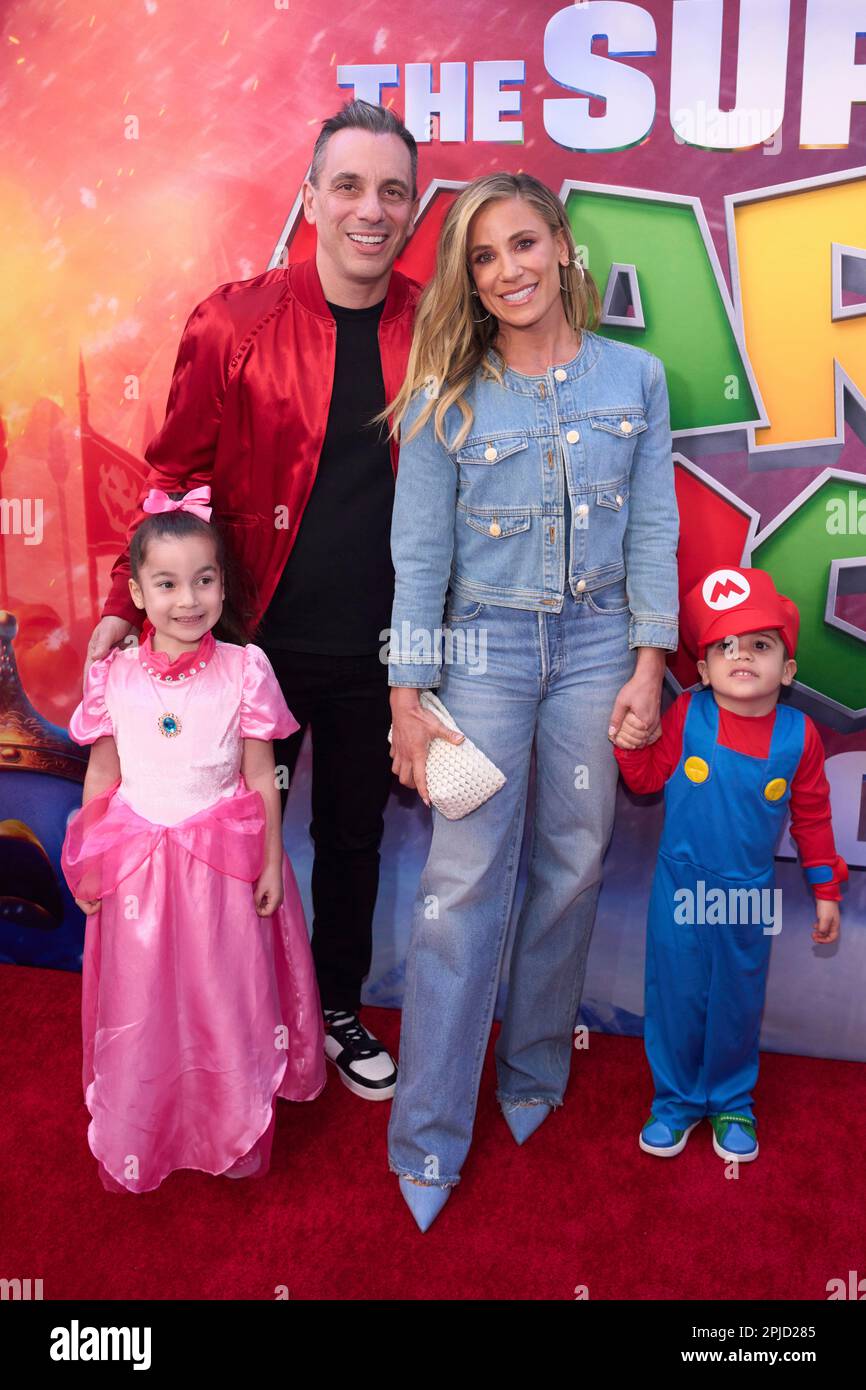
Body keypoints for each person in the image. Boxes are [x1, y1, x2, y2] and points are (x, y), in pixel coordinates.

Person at [84, 100, 425, 1100]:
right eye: (349, 185)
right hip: (249, 652)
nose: (370, 207)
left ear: (412, 208)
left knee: (355, 840)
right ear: (311, 196)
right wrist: (124, 593)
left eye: (391, 189)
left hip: (377, 658)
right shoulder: (233, 320)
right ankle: (238, 1024)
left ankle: (336, 1009)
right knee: (239, 835)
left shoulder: (436, 329)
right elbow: (171, 473)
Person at [385, 172, 680, 1230]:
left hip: (601, 650)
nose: (505, 270)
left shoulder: (636, 381)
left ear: (560, 245)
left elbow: (652, 529)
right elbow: (415, 560)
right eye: (481, 257)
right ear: (468, 279)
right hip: (483, 656)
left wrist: (650, 661)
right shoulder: (441, 399)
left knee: (570, 868)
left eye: (520, 244)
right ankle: (424, 1139)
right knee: (460, 888)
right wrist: (405, 696)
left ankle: (532, 1073)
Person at [61, 487, 326, 1193]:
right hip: (137, 868)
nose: (189, 599)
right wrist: (89, 861)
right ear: (138, 594)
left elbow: (264, 774)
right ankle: (148, 1116)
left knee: (222, 997)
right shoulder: (110, 679)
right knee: (144, 1001)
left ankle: (230, 1116)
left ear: (221, 585)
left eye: (204, 580)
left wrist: (270, 859)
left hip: (223, 869)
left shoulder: (246, 670)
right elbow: (100, 778)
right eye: (168, 583)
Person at [613, 566, 846, 1163]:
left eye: (760, 645)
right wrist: (628, 743)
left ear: (787, 671)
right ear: (704, 669)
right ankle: (675, 1103)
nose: (741, 656)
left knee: (737, 1001)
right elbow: (644, 783)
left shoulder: (800, 736)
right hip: (680, 886)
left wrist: (825, 889)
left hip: (750, 896)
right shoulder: (688, 716)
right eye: (725, 646)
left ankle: (733, 1101)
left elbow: (814, 820)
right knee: (677, 996)